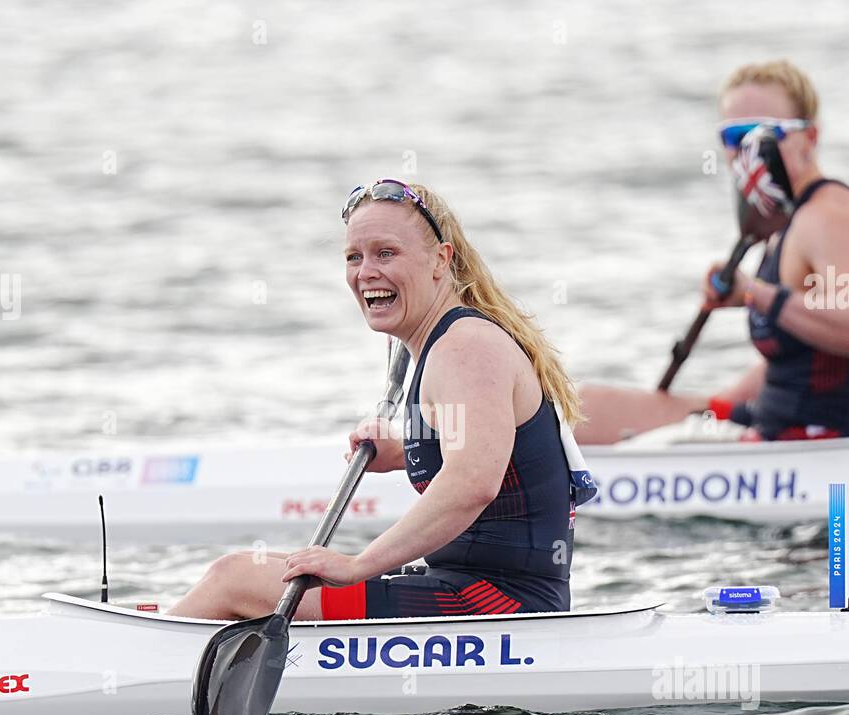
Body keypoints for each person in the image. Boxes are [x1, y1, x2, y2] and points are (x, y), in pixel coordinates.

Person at [169, 180, 589, 620]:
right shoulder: (444, 342)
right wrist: (403, 454)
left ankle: (143, 662)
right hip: (468, 585)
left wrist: (359, 566)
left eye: (385, 253)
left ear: (440, 261)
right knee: (257, 568)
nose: (365, 271)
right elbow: (490, 453)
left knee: (234, 579)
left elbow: (473, 483)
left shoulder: (466, 348)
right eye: (354, 256)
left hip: (501, 605)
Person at [577, 59, 849, 444]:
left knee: (584, 425)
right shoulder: (785, 223)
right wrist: (713, 409)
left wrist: (754, 293)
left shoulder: (834, 217)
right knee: (585, 409)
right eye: (734, 137)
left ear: (810, 138)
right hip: (773, 422)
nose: (747, 151)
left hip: (827, 442)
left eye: (762, 135)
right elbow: (795, 361)